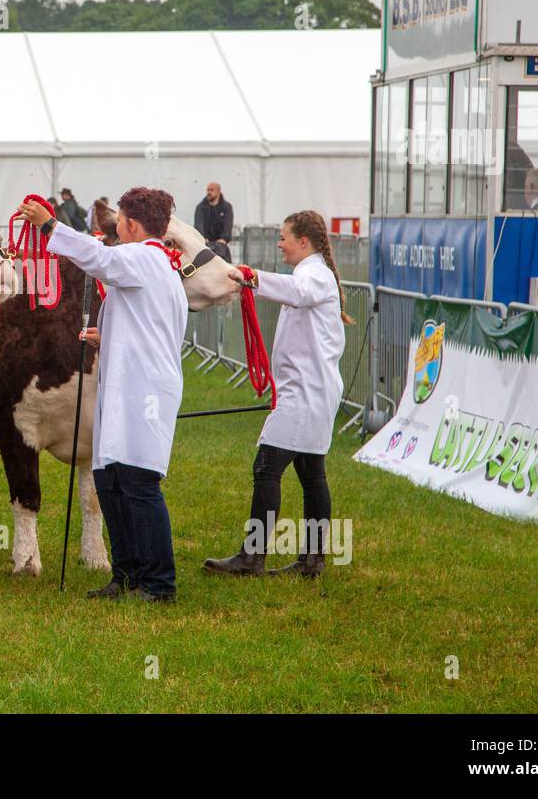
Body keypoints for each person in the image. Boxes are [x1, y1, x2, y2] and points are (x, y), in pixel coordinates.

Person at [18, 187, 188, 602]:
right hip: (128, 384)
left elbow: (101, 259)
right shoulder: (157, 263)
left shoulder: (143, 257)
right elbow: (150, 324)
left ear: (130, 222)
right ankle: (126, 574)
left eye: (120, 221)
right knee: (111, 479)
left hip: (143, 389)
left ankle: (159, 583)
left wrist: (50, 226)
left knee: (140, 482)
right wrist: (106, 336)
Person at [204, 210, 351, 579]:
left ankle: (253, 557)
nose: (279, 243)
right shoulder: (313, 272)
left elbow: (298, 293)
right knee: (312, 474)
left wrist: (252, 277)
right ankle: (312, 560)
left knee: (266, 468)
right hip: (309, 391)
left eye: (284, 237)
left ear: (304, 241)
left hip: (306, 394)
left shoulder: (313, 274)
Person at [193, 182, 234, 262]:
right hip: (205, 243)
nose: (209, 192)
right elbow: (198, 224)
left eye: (211, 190)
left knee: (224, 259)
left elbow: (228, 224)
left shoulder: (227, 207)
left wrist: (224, 238)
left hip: (221, 244)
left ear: (218, 192)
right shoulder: (200, 207)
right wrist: (202, 238)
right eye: (208, 190)